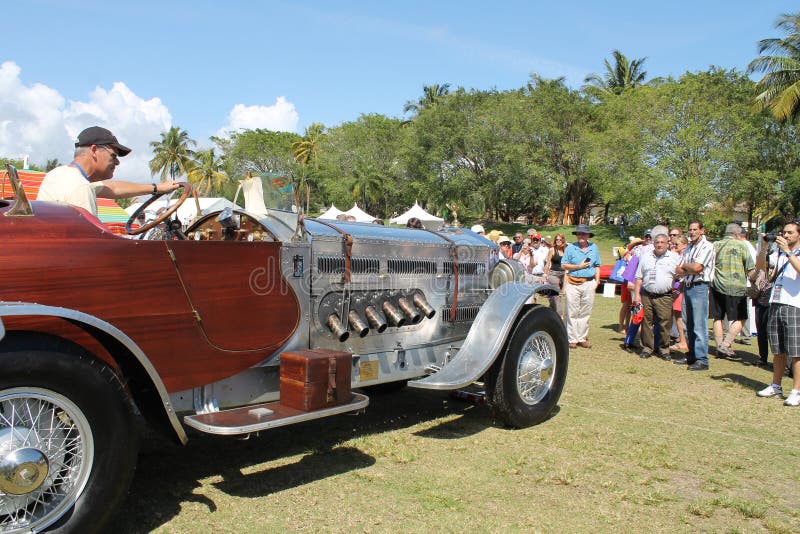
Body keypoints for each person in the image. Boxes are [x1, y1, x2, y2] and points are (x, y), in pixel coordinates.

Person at [38, 126, 180, 217]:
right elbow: (91, 244)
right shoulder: (80, 187)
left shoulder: (58, 175)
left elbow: (113, 187)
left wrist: (158, 188)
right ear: (94, 150)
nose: (117, 162)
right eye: (114, 155)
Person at [756, 221, 800, 406]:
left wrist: (789, 253)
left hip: (794, 305)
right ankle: (776, 384)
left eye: (790, 232)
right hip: (776, 301)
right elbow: (760, 267)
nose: (786, 235)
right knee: (778, 349)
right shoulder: (780, 252)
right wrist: (765, 246)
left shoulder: (791, 253)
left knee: (796, 352)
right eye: (784, 232)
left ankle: (796, 390)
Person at [674, 219, 716, 371]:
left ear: (702, 230)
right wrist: (687, 268)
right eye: (690, 230)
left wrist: (686, 267)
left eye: (695, 229)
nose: (692, 232)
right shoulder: (689, 248)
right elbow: (677, 269)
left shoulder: (707, 247)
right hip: (688, 285)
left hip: (700, 287)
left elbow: (697, 267)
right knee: (688, 324)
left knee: (699, 324)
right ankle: (691, 354)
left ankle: (702, 359)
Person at [632, 233, 681, 360]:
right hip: (647, 294)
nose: (659, 244)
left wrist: (677, 292)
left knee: (665, 323)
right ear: (653, 243)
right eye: (657, 242)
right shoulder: (646, 257)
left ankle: (664, 349)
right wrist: (636, 296)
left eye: (662, 242)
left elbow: (682, 277)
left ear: (667, 244)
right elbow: (638, 277)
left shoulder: (675, 258)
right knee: (646, 322)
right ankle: (647, 348)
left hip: (665, 296)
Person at [710, 223, 755, 357]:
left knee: (717, 317)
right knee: (741, 318)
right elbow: (750, 268)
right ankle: (726, 344)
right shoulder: (742, 245)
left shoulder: (715, 245)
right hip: (737, 287)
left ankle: (719, 347)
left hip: (717, 285)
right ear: (736, 234)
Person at [561, 224, 601, 349]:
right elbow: (564, 265)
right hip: (573, 282)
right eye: (579, 233)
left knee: (585, 312)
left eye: (583, 233)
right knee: (572, 311)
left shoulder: (594, 248)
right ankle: (572, 338)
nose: (581, 236)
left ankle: (582, 338)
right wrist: (578, 267)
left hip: (589, 282)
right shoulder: (570, 248)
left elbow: (597, 265)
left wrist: (597, 280)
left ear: (588, 235)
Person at [545, 233, 567, 318]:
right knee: (557, 295)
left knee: (557, 297)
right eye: (557, 240)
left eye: (560, 240)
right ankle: (560, 316)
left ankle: (550, 312)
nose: (558, 241)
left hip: (564, 274)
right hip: (553, 273)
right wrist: (545, 274)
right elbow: (547, 263)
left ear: (563, 241)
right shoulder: (552, 250)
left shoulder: (566, 250)